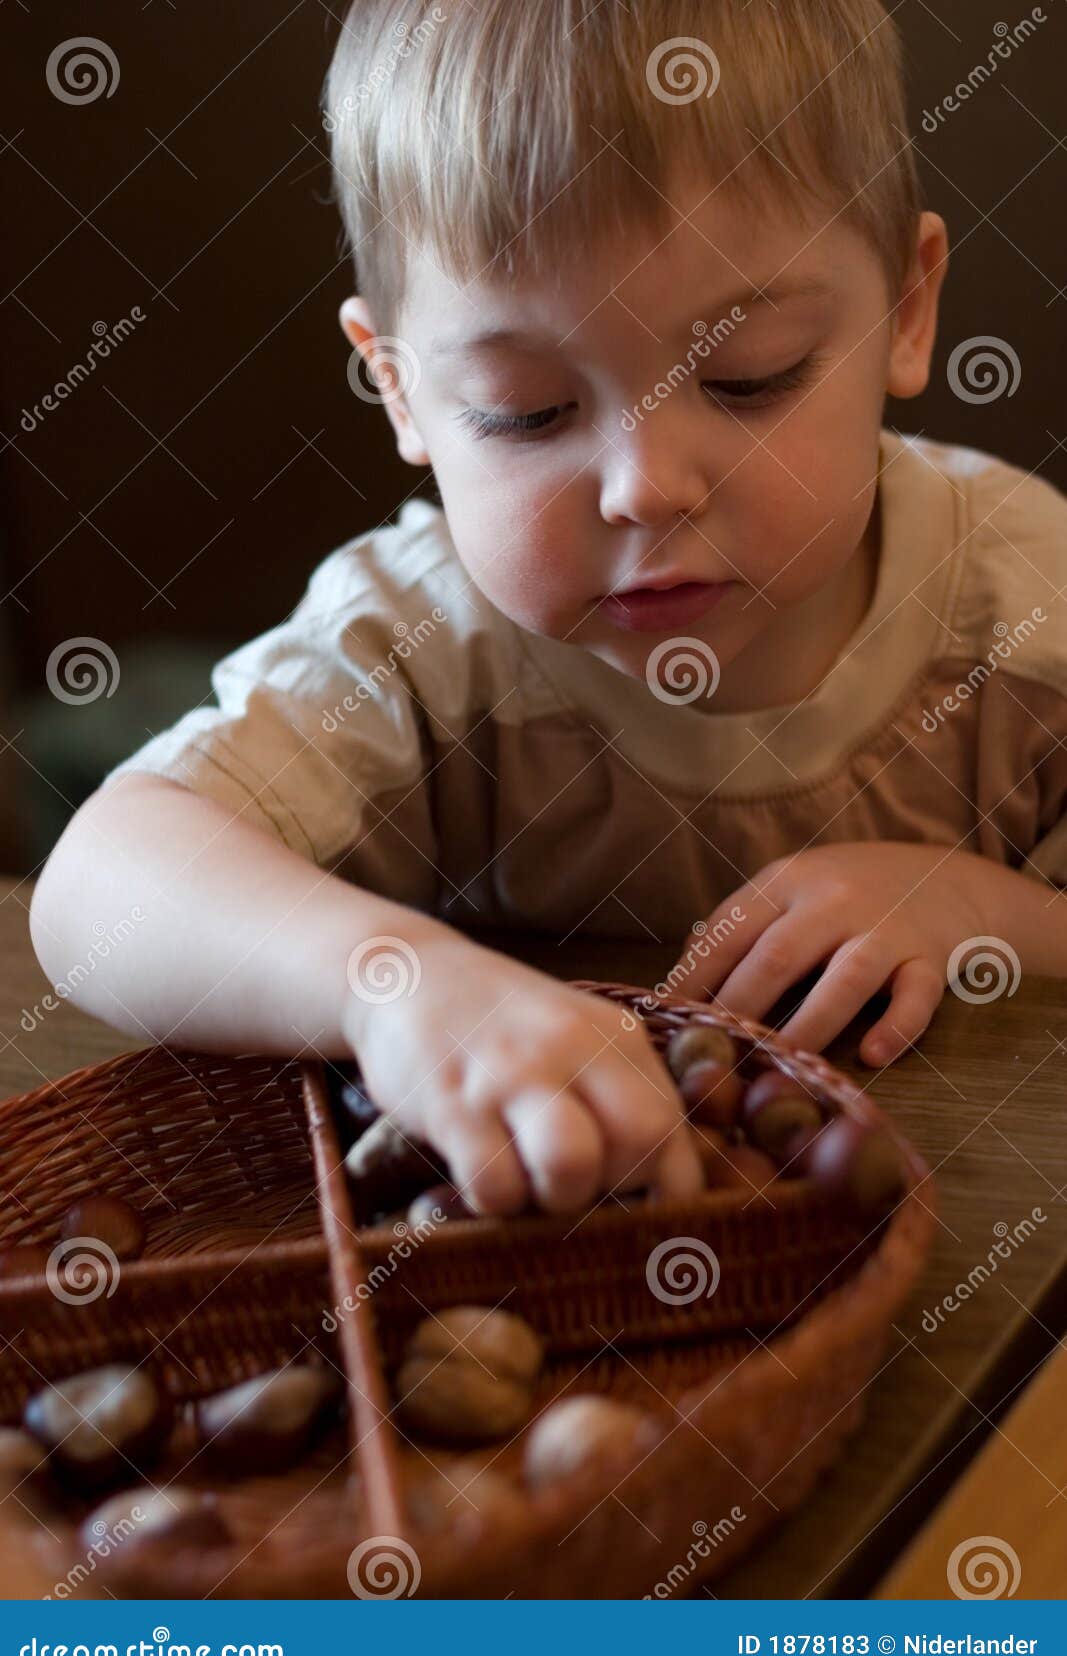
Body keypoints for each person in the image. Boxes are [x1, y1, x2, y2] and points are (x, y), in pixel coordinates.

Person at [30, 1, 1067, 1217]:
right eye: (527, 411)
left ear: (903, 309)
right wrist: (393, 984)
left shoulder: (1020, 602)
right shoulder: (423, 644)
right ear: (402, 392)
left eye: (748, 378)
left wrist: (978, 910)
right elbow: (97, 890)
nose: (644, 488)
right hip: (538, 1290)